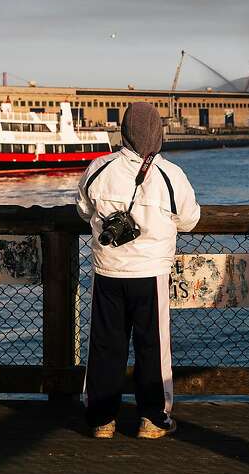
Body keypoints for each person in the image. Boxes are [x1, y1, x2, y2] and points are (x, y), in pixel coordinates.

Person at [77, 101, 200, 439]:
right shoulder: (170, 175)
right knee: (153, 347)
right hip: (151, 273)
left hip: (108, 272)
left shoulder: (99, 168)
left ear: (124, 131)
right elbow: (190, 220)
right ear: (159, 134)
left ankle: (101, 419)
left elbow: (83, 209)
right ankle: (153, 418)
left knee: (105, 345)